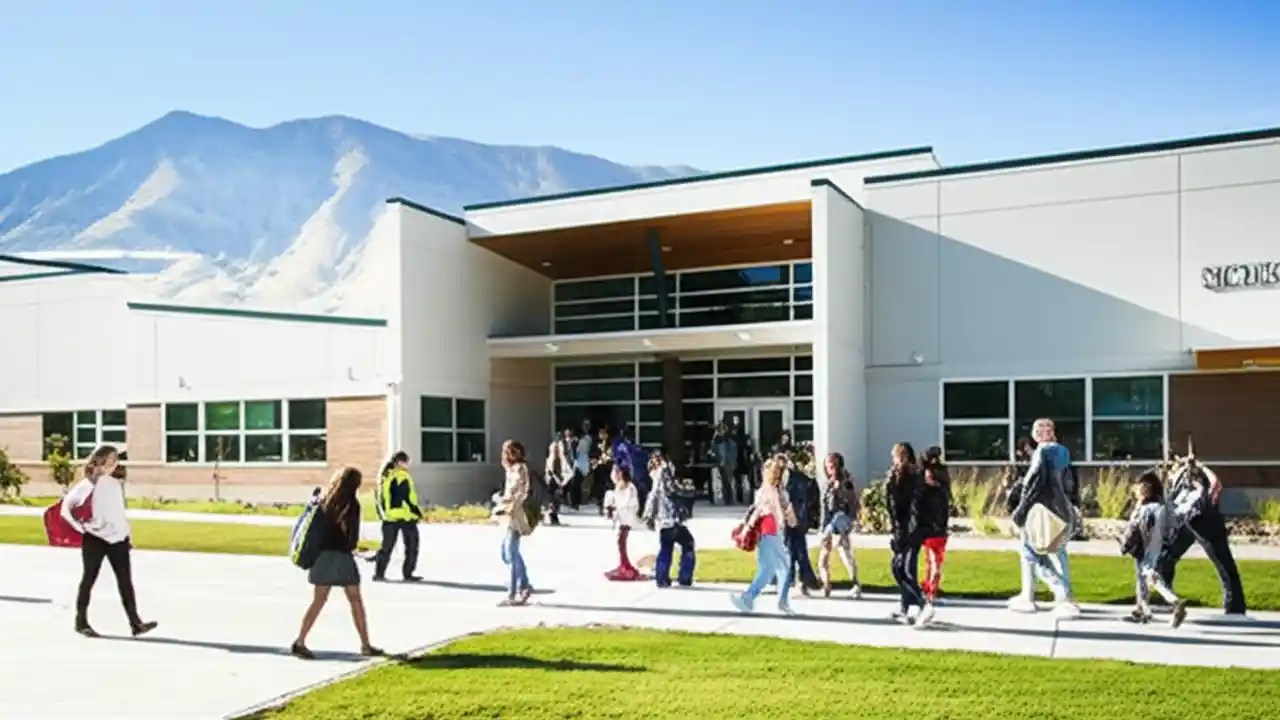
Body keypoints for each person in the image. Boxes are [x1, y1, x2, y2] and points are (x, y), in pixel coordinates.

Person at [63, 445, 157, 639]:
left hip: (118, 540)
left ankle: (135, 623)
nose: (116, 463)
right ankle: (81, 622)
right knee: (89, 579)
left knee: (125, 582)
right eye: (112, 459)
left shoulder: (114, 484)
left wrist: (125, 535)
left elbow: (117, 514)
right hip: (94, 540)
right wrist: (83, 528)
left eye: (117, 459)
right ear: (100, 461)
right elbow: (66, 511)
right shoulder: (86, 486)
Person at [292, 467, 382, 658]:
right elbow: (352, 539)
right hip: (341, 557)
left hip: (322, 557)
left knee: (318, 600)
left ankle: (300, 640)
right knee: (355, 600)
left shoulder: (324, 501)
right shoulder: (352, 505)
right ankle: (365, 644)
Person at [1005, 418, 1081, 618]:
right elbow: (1070, 482)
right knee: (1058, 554)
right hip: (1062, 509)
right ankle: (1039, 595)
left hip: (1042, 510)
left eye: (1042, 429)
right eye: (1037, 429)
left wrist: (1020, 512)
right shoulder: (1063, 452)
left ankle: (1059, 594)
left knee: (1030, 553)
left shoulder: (1043, 452)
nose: (1039, 432)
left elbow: (1035, 485)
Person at [1158, 455, 1247, 615]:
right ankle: (1167, 598)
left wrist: (1201, 466)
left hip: (1207, 526)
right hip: (1188, 524)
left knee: (1225, 566)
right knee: (1165, 557)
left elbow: (1216, 484)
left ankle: (1235, 606)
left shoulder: (1203, 487)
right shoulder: (1180, 485)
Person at [730, 454, 798, 615]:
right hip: (770, 531)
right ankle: (779, 601)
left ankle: (749, 599)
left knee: (768, 569)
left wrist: (747, 528)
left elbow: (762, 511)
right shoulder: (770, 491)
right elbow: (760, 511)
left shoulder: (773, 491)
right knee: (783, 566)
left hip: (770, 532)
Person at [1121, 471, 1188, 627]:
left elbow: (1136, 528)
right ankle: (1142, 609)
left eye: (1138, 487)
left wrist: (1126, 544)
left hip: (1146, 548)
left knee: (1150, 577)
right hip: (1158, 546)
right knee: (1142, 577)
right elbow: (1172, 527)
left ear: (1145, 488)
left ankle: (1175, 602)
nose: (1135, 491)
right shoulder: (1163, 505)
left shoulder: (1146, 508)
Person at [887, 442, 932, 627]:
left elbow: (906, 507)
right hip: (906, 529)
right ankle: (908, 606)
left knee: (902, 568)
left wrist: (905, 531)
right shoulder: (906, 476)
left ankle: (921, 603)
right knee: (902, 567)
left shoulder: (909, 477)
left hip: (908, 530)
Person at [642, 452, 696, 588]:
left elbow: (652, 499)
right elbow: (673, 491)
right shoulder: (664, 473)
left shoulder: (655, 479)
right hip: (672, 518)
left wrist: (649, 516)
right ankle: (684, 576)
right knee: (688, 544)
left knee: (666, 548)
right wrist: (688, 490)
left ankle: (662, 578)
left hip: (663, 521)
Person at [495, 440, 535, 606]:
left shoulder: (520, 469)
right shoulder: (510, 470)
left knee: (511, 553)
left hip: (516, 516)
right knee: (506, 553)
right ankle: (524, 584)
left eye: (509, 451)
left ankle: (515, 592)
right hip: (508, 515)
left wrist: (511, 505)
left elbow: (520, 492)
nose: (505, 454)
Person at [373, 451, 423, 583]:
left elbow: (380, 499)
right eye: (406, 461)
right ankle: (408, 573)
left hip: (390, 518)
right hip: (405, 517)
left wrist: (383, 515)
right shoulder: (401, 476)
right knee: (411, 547)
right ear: (399, 462)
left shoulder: (385, 477)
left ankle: (379, 574)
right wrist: (416, 512)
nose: (408, 464)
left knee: (387, 547)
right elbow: (407, 498)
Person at [817, 452, 861, 599]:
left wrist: (851, 522)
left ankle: (855, 583)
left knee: (846, 554)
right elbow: (824, 506)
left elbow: (853, 503)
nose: (831, 469)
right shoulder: (828, 484)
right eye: (829, 466)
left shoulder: (846, 483)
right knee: (824, 556)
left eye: (834, 465)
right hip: (828, 523)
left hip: (840, 524)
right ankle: (826, 584)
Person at [919, 446, 953, 605]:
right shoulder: (944, 482)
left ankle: (931, 590)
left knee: (933, 560)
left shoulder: (928, 486)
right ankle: (930, 587)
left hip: (931, 525)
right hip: (939, 525)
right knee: (934, 559)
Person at [784, 456, 821, 596]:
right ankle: (804, 580)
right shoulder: (804, 481)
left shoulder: (794, 481)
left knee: (793, 550)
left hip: (792, 520)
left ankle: (795, 579)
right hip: (797, 520)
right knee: (797, 550)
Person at [604, 464, 644, 581]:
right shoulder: (619, 486)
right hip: (621, 519)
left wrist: (617, 509)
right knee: (620, 543)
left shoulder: (630, 487)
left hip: (626, 519)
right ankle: (623, 564)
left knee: (621, 542)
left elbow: (629, 503)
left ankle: (625, 567)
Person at [712, 423, 739, 505]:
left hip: (726, 463)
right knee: (727, 481)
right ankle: (728, 498)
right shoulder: (725, 440)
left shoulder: (725, 440)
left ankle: (728, 498)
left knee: (727, 481)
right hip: (725, 463)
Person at [590, 426, 614, 515]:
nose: (602, 435)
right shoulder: (595, 444)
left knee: (608, 487)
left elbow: (612, 454)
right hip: (599, 469)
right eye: (600, 433)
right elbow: (592, 455)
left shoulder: (610, 444)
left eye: (604, 433)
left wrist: (608, 457)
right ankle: (600, 505)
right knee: (599, 487)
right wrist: (596, 459)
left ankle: (608, 507)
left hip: (608, 468)